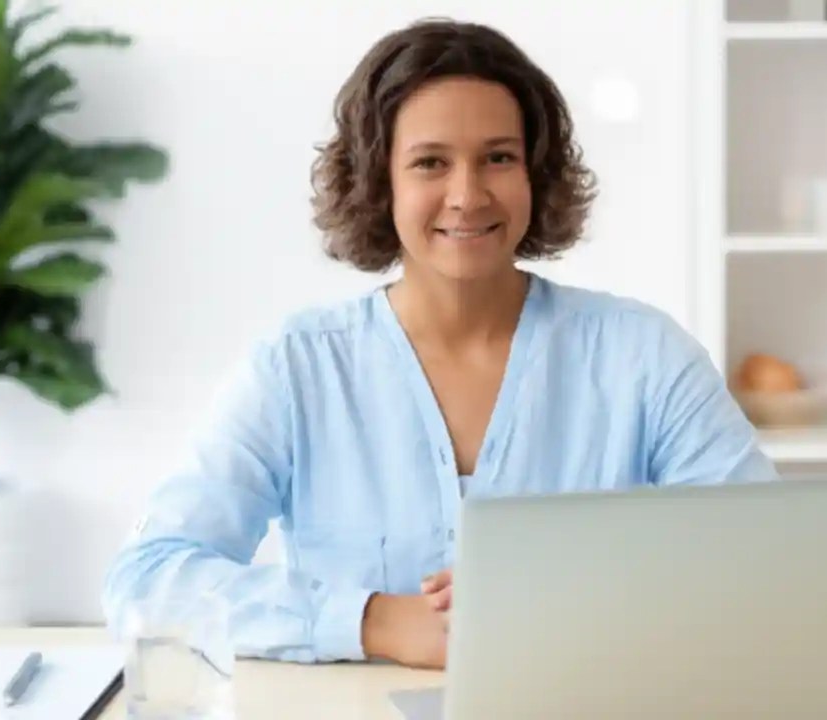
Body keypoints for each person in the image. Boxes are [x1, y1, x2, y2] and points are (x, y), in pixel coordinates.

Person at [102, 17, 777, 670]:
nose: (467, 194)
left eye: (498, 158)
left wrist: (588, 588)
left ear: (534, 175)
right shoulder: (298, 369)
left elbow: (767, 560)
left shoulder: (644, 357)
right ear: (379, 183)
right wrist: (374, 620)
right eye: (430, 163)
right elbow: (149, 579)